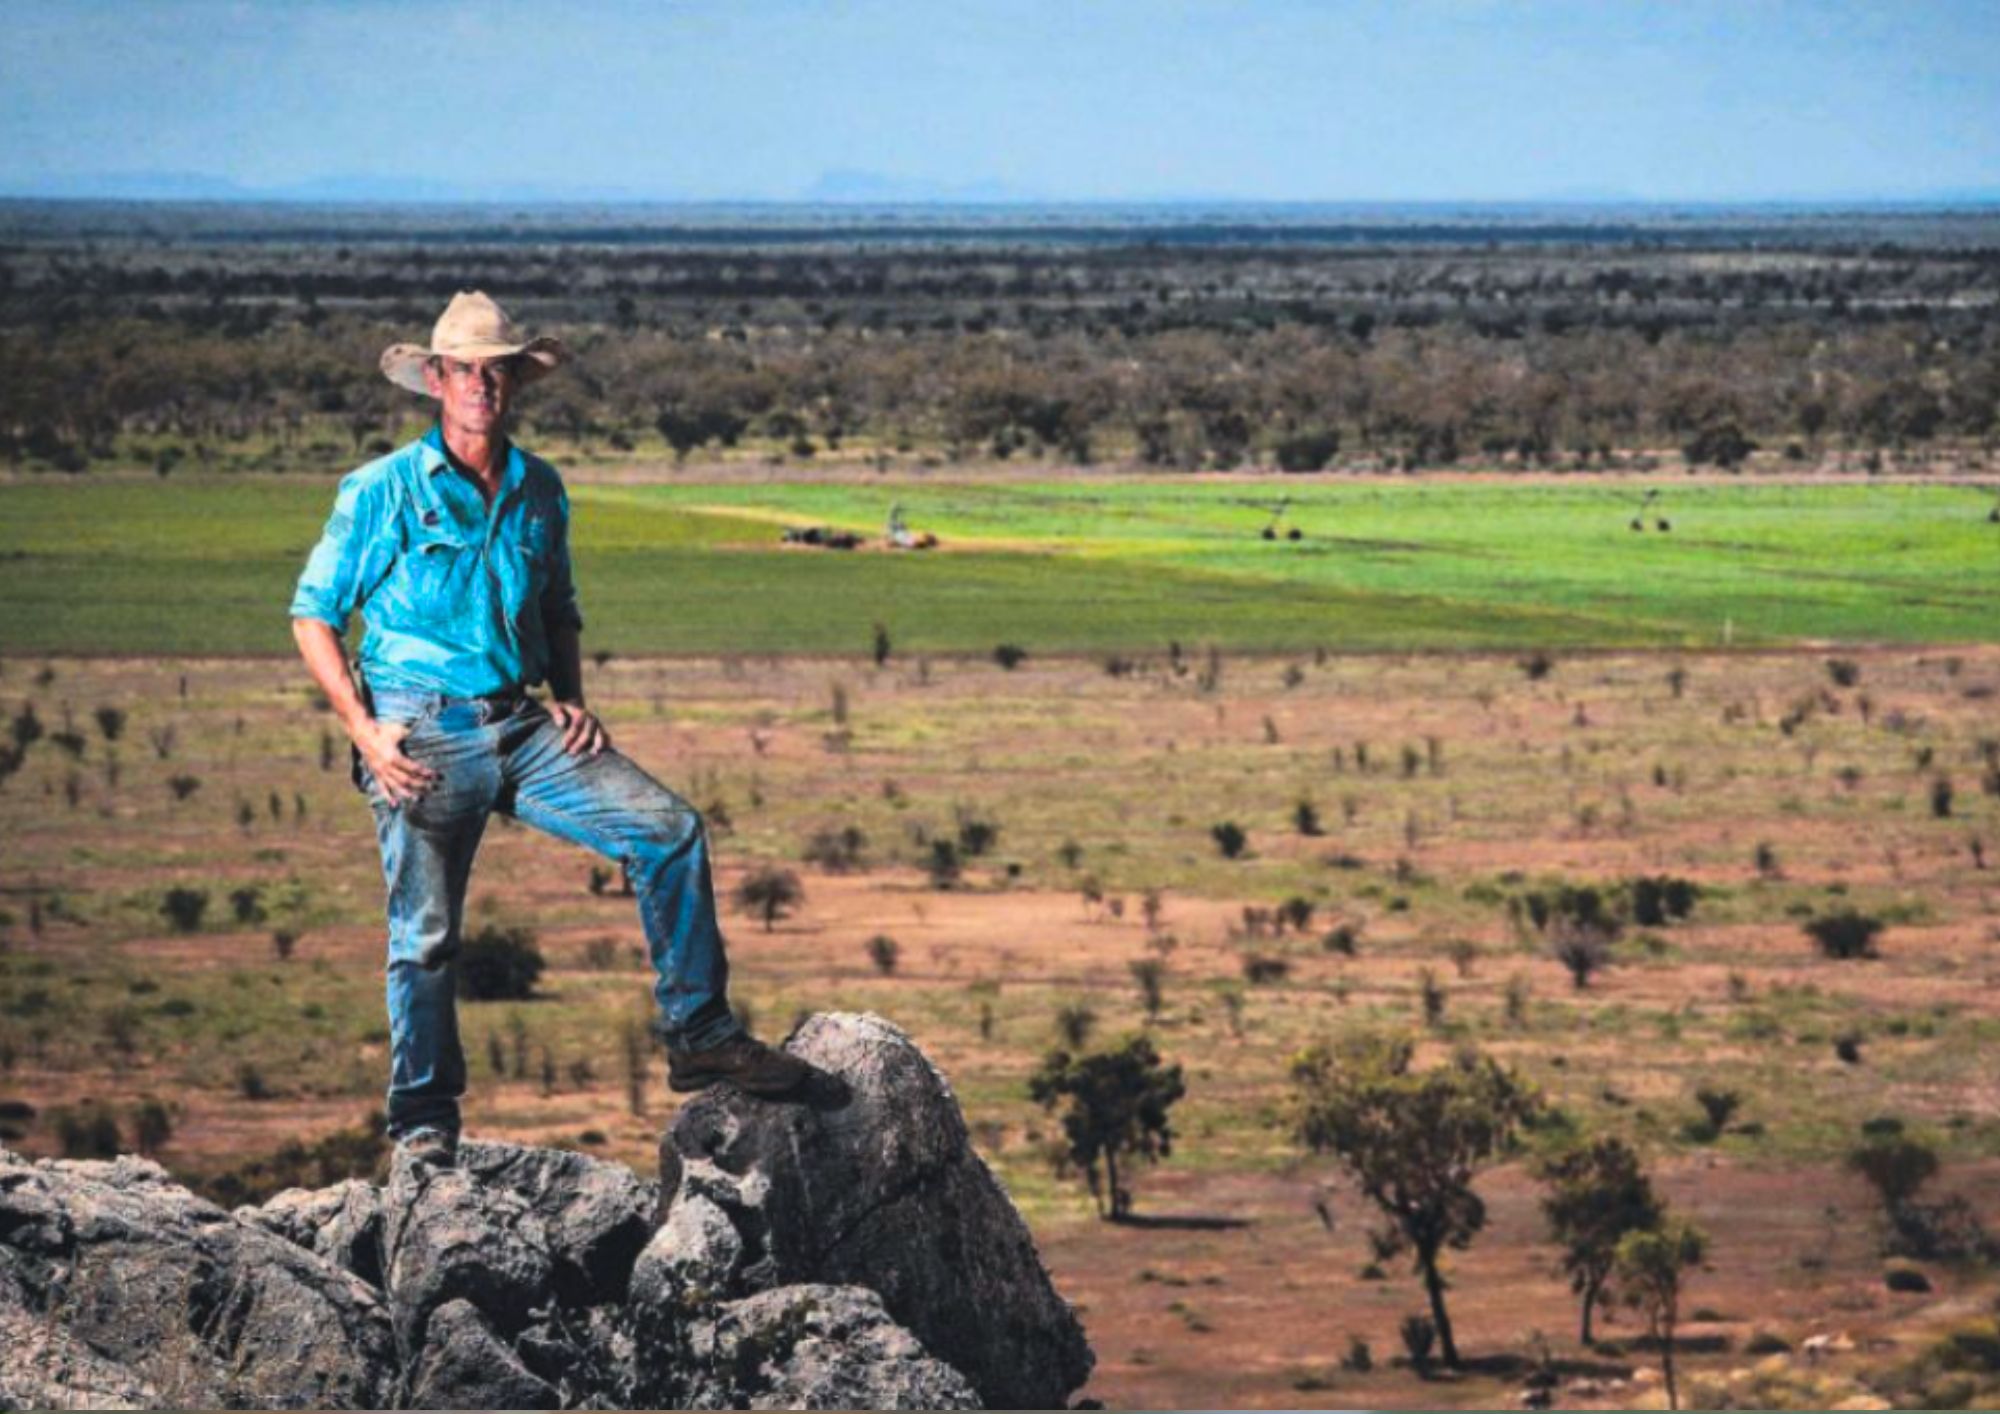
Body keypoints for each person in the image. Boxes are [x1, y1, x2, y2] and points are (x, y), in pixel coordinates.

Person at [290, 291, 807, 1166]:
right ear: (437, 381)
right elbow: (313, 615)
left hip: (522, 724)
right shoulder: (383, 490)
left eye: (497, 371)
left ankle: (699, 1031)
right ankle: (423, 1126)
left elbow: (560, 608)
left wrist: (568, 693)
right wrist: (369, 734)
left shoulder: (539, 490)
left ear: (514, 383)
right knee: (425, 936)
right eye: (464, 371)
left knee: (669, 830)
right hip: (420, 736)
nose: (481, 386)